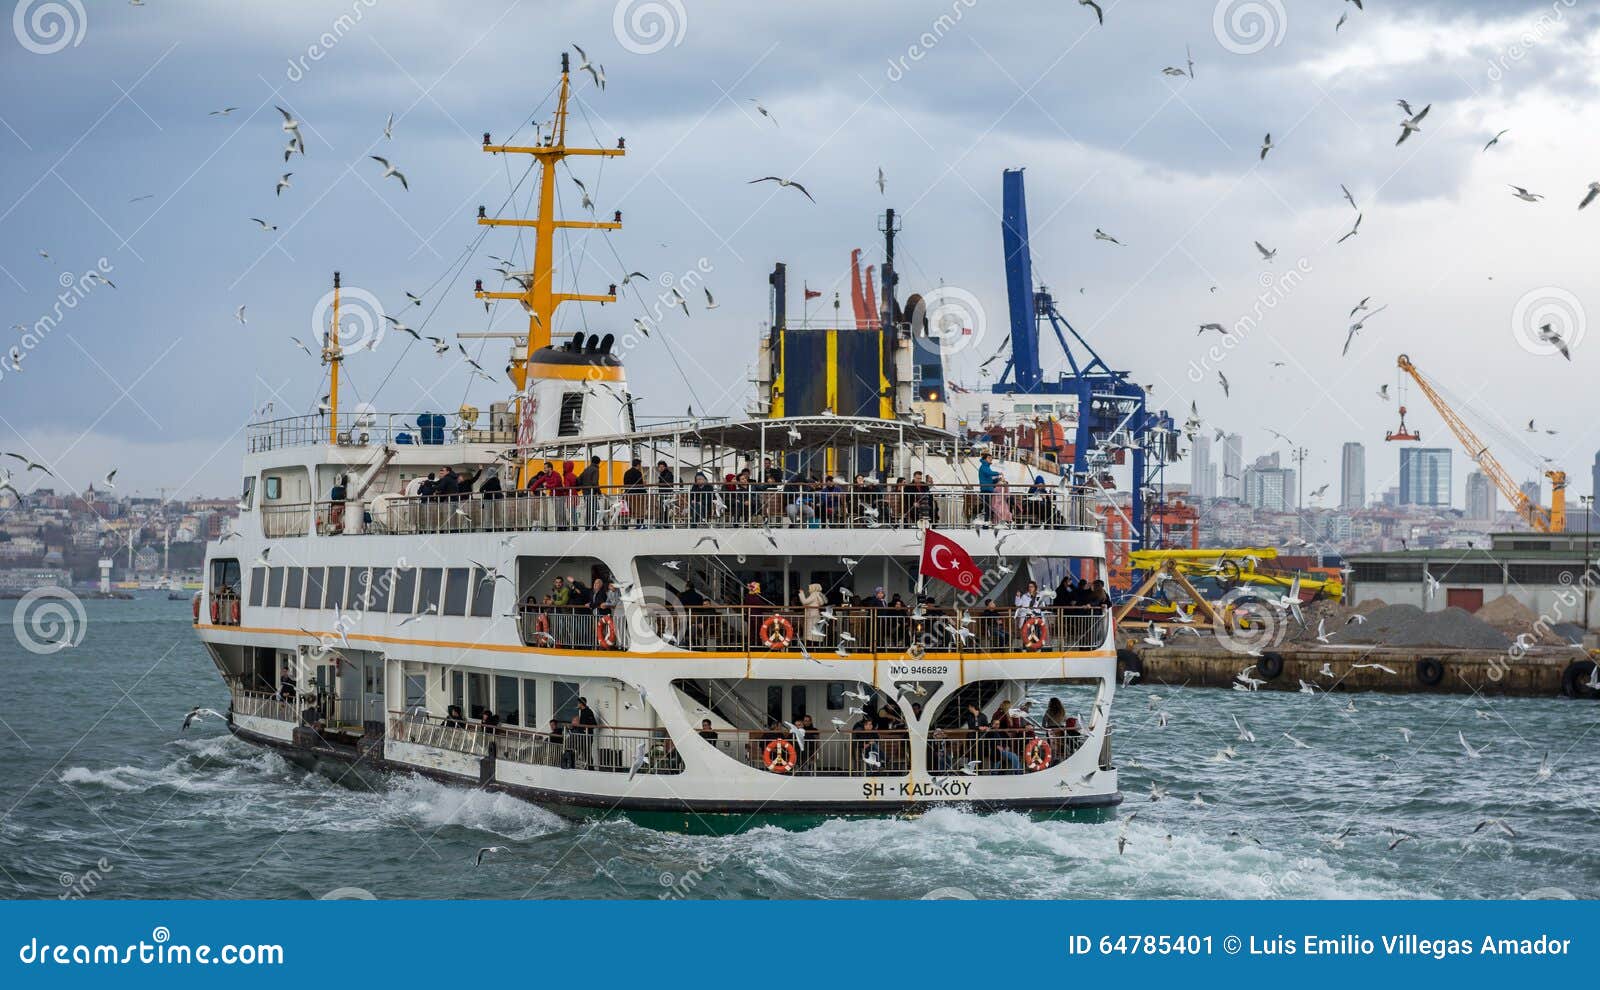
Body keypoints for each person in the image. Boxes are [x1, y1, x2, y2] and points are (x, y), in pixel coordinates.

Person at [571, 697, 598, 769]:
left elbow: (594, 724)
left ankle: (590, 768)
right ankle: (572, 764)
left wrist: (585, 728)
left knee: (586, 752)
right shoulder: (582, 711)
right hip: (582, 736)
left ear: (581, 704)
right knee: (578, 751)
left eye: (578, 703)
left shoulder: (588, 712)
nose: (577, 705)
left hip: (587, 736)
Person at [576, 455, 602, 528]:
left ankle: (587, 525)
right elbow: (595, 482)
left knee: (588, 509)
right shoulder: (595, 470)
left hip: (585, 493)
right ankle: (593, 525)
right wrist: (599, 493)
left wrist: (580, 488)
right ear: (598, 463)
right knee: (595, 509)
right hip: (592, 492)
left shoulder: (586, 469)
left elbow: (578, 479)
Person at [622, 457, 646, 527]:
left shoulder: (626, 472)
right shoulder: (638, 473)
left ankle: (625, 525)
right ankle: (639, 524)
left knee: (628, 510)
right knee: (639, 510)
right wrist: (645, 492)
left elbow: (625, 483)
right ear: (638, 465)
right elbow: (640, 485)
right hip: (637, 495)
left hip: (628, 493)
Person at [976, 452, 999, 520]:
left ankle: (986, 522)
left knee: (988, 507)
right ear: (985, 459)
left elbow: (989, 479)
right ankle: (985, 524)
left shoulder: (986, 466)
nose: (991, 459)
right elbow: (989, 473)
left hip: (988, 489)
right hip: (986, 490)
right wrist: (998, 473)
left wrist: (997, 480)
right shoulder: (984, 466)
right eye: (989, 458)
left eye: (991, 458)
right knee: (987, 508)